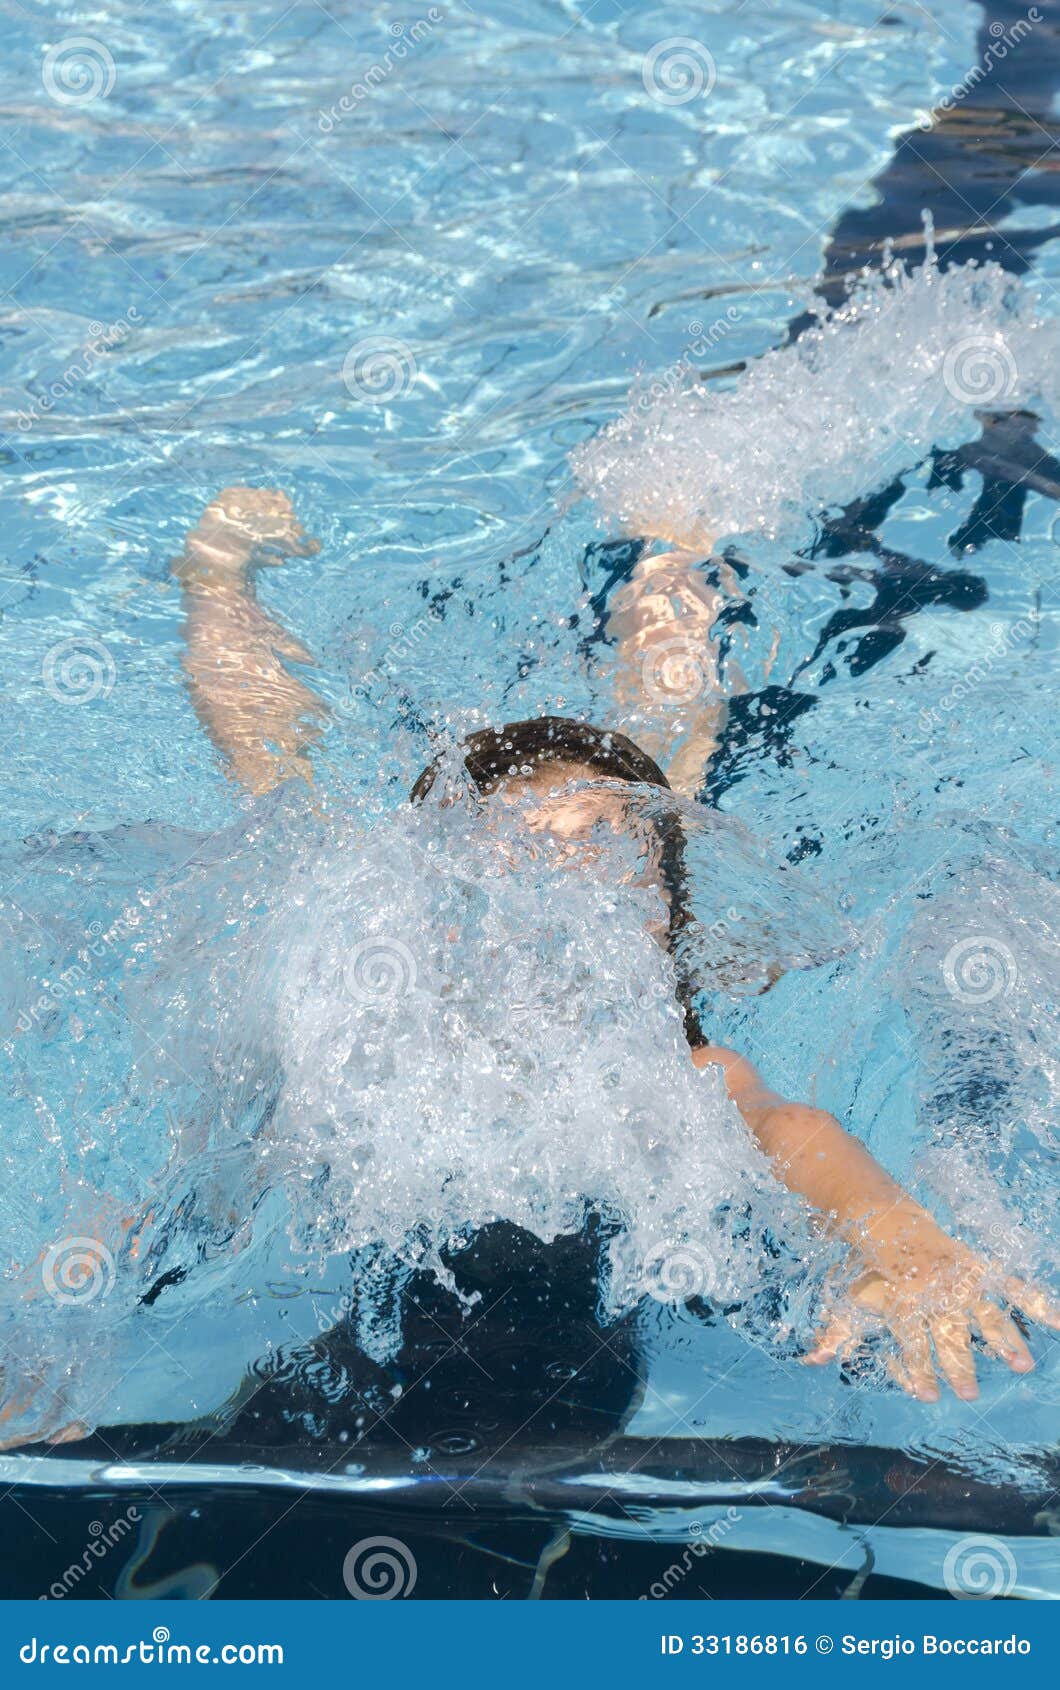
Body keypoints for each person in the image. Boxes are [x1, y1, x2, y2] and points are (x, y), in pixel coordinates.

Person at [170, 485, 1059, 1407]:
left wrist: (899, 1238)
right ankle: (214, 576)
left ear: (661, 927)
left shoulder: (677, 1066)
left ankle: (676, 546)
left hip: (556, 1369)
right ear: (436, 906)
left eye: (602, 863)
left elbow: (788, 1129)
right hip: (428, 1358)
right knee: (281, 802)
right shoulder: (359, 1025)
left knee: (661, 794)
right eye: (513, 859)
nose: (562, 898)